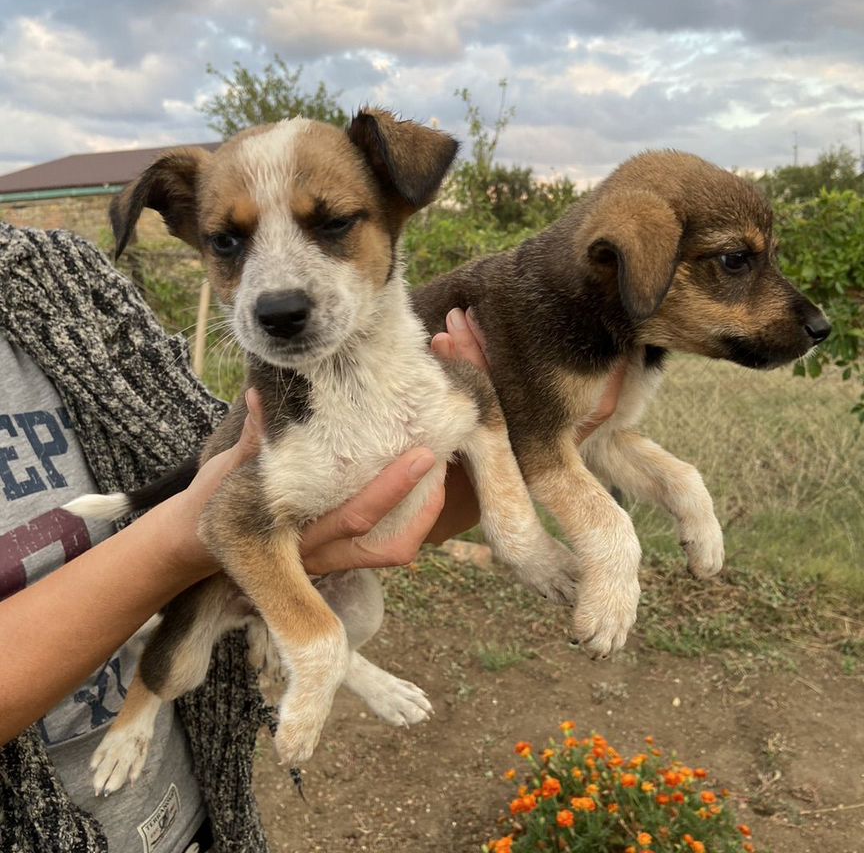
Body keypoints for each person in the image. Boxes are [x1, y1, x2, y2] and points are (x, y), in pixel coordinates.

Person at [0, 221, 622, 853]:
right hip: (218, 572)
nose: (279, 291)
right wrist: (192, 556)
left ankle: (301, 643)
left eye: (332, 226)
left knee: (360, 615)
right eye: (228, 242)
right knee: (185, 659)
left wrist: (532, 462)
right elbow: (222, 515)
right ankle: (143, 705)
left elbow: (392, 497)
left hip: (201, 808)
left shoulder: (63, 277)